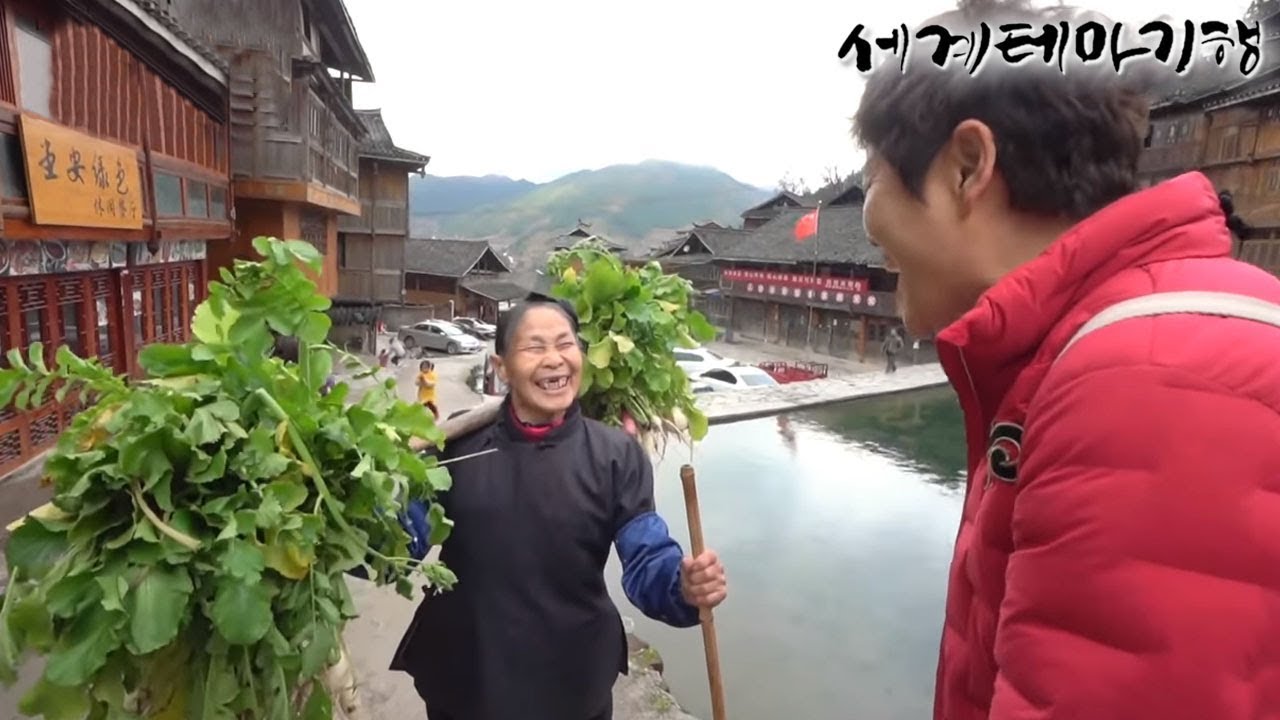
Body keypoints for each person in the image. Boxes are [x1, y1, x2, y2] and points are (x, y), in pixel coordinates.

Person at [852, 2, 1280, 719]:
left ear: (967, 167)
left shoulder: (1145, 379)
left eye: (870, 177)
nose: (866, 222)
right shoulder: (1101, 346)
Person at [391, 297, 728, 720]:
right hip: (466, 678)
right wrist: (348, 516)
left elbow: (647, 558)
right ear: (501, 367)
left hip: (572, 684)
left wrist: (682, 586)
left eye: (565, 345)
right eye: (534, 347)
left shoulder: (615, 456)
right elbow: (399, 547)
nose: (554, 360)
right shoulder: (456, 447)